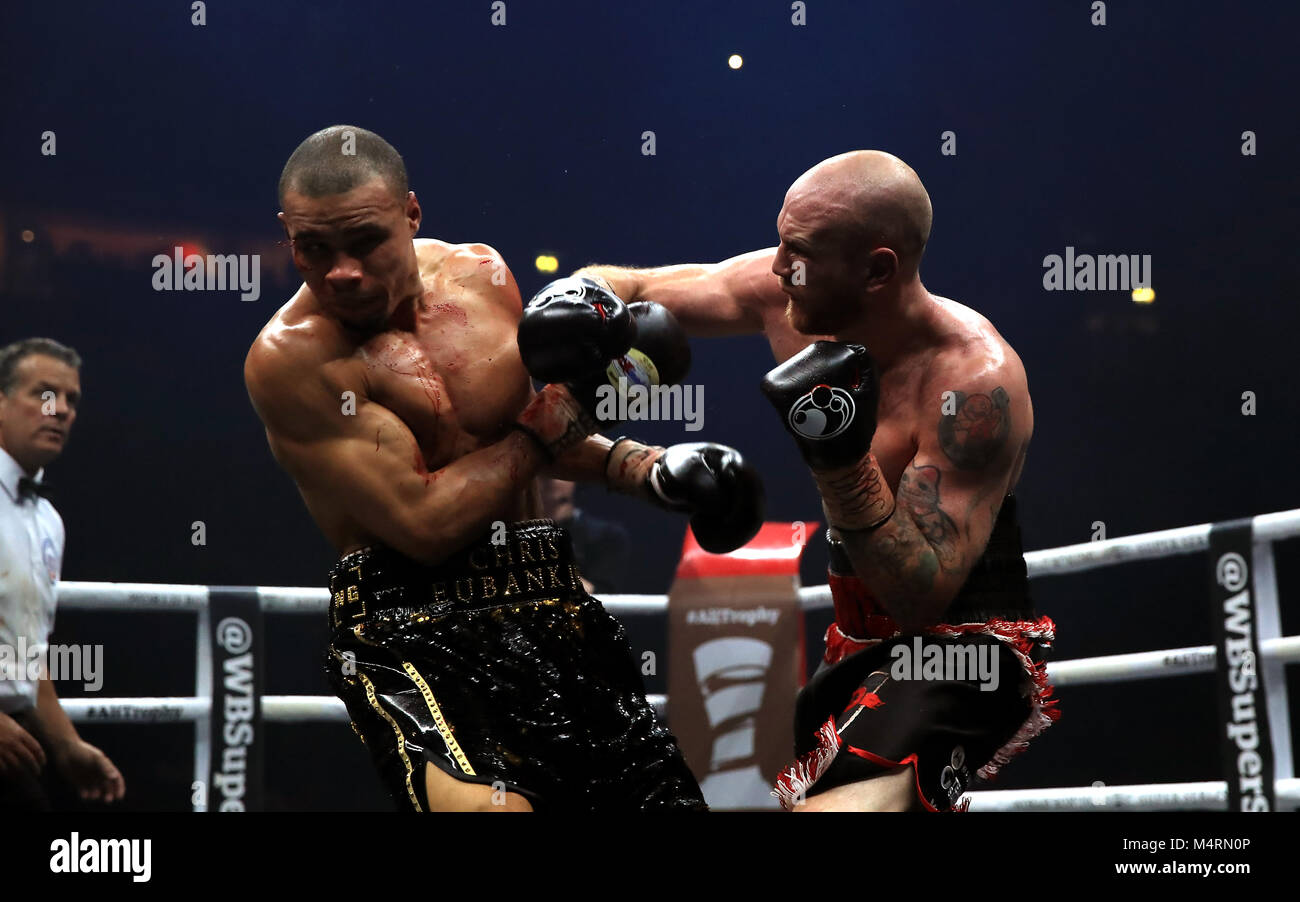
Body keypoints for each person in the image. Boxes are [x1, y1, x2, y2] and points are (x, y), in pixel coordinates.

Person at [245, 125, 764, 812]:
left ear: (411, 215)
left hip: (544, 590)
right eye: (313, 248)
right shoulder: (290, 360)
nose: (342, 271)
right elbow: (426, 523)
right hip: (409, 621)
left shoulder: (481, 277)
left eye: (365, 241)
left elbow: (511, 434)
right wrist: (568, 411)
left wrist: (641, 467)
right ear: (288, 232)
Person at [574, 150, 1058, 812]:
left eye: (798, 253)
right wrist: (577, 301)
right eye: (781, 240)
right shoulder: (791, 293)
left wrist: (841, 459)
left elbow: (921, 598)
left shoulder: (973, 385)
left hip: (960, 650)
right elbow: (631, 286)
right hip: (854, 645)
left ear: (877, 270)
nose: (776, 268)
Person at [0, 338, 126, 810]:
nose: (62, 411)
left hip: (17, 739)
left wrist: (67, 744)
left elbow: (27, 655)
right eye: (45, 394)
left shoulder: (47, 520)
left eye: (72, 400)